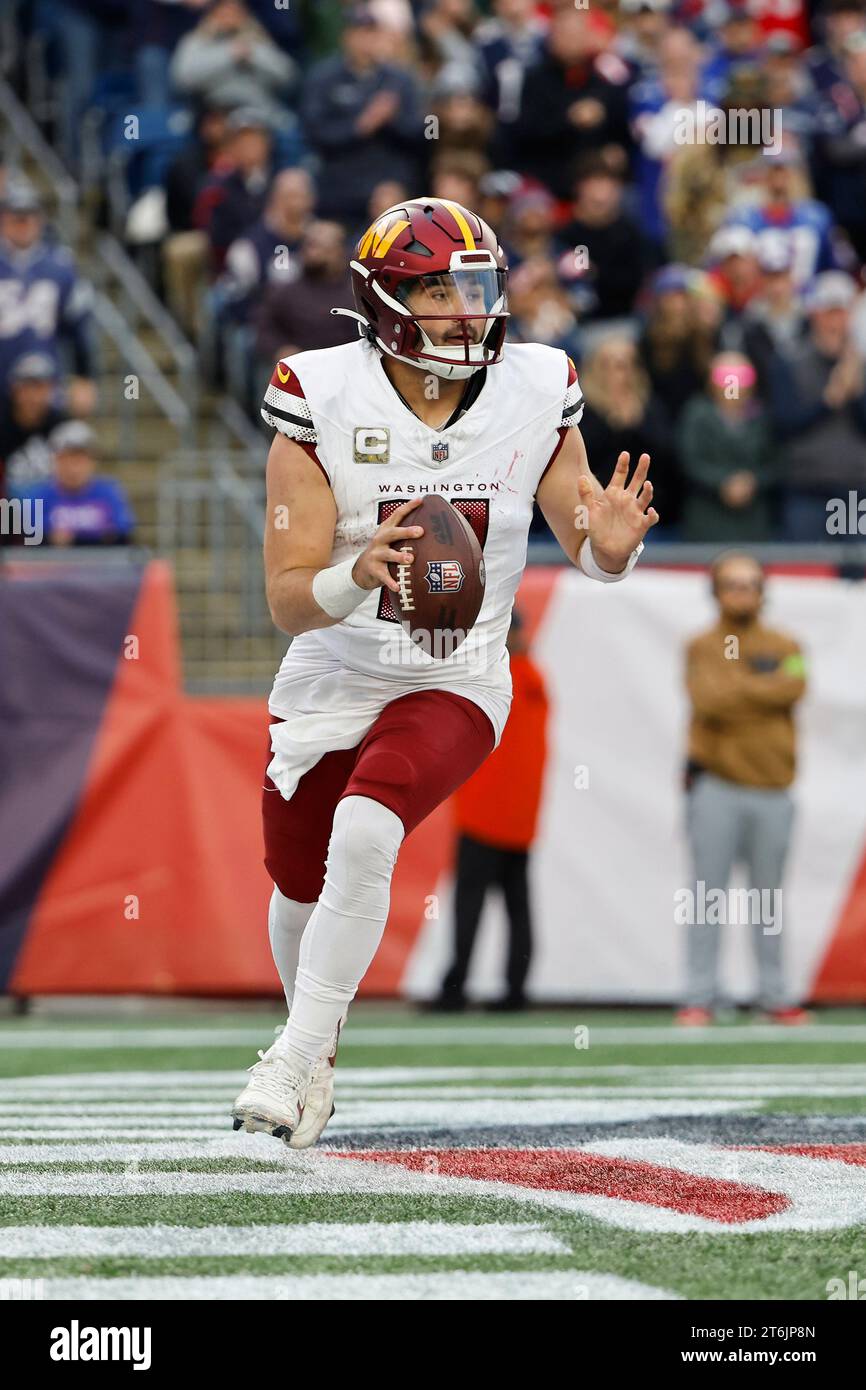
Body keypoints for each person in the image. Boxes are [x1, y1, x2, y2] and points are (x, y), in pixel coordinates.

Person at [231, 195, 658, 1147]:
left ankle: (295, 1056)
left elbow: (582, 544)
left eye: (477, 285)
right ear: (386, 300)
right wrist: (357, 573)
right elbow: (289, 600)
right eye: (439, 289)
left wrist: (614, 549)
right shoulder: (319, 392)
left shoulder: (535, 384)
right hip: (335, 666)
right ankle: (318, 1047)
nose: (467, 309)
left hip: (457, 671)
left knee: (367, 821)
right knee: (298, 878)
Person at [679, 552, 810, 1026]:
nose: (743, 592)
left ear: (763, 589)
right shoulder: (700, 646)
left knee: (769, 899)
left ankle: (774, 996)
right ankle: (699, 996)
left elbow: (795, 685)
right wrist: (762, 686)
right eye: (733, 584)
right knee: (706, 895)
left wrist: (739, 686)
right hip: (716, 784)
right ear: (715, 591)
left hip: (774, 787)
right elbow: (708, 699)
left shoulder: (787, 642)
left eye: (751, 583)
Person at [431, 609, 549, 1012]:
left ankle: (456, 987)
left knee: (471, 904)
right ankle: (515, 990)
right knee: (517, 905)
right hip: (519, 817)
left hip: (483, 813)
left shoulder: (495, 676)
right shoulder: (534, 677)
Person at [0, 181, 96, 408]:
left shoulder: (60, 266)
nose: (23, 225)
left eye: (28, 217)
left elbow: (78, 326)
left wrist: (84, 377)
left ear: (40, 221)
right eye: (17, 218)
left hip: (45, 382)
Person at [677, 351, 776, 542]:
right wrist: (722, 483)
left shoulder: (762, 417)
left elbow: (777, 461)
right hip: (706, 520)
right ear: (712, 382)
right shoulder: (696, 414)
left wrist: (752, 481)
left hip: (752, 523)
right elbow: (688, 460)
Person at [26, 422, 135, 547]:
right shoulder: (39, 496)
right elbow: (29, 533)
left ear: (92, 462)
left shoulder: (109, 493)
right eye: (67, 459)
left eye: (79, 460)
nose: (73, 469)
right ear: (55, 461)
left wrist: (74, 538)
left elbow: (122, 531)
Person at [0, 354, 67, 501]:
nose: (32, 396)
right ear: (13, 389)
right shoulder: (3, 426)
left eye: (39, 388)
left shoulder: (63, 427)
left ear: (51, 390)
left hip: (52, 511)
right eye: (26, 387)